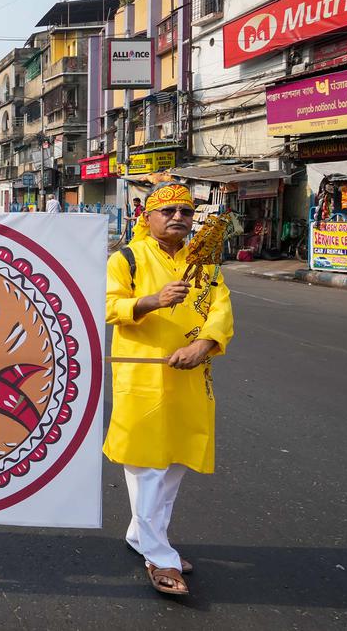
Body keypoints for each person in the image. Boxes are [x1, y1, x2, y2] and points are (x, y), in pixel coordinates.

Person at [105, 183, 234, 598]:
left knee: (174, 464)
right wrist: (152, 301)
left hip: (191, 375)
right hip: (143, 377)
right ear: (148, 217)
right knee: (147, 467)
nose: (178, 217)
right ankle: (159, 556)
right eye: (168, 211)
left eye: (185, 210)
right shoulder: (127, 259)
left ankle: (140, 536)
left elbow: (221, 309)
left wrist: (202, 346)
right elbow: (107, 307)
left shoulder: (206, 264)